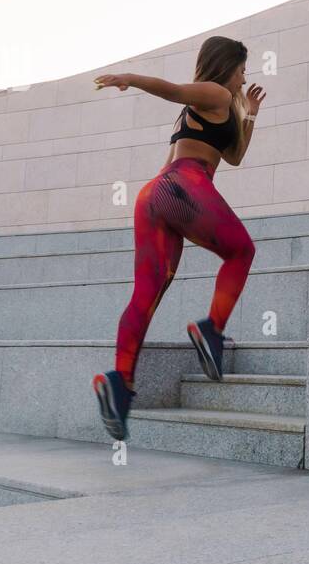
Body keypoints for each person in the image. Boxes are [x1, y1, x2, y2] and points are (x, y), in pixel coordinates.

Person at [90, 36, 265, 441]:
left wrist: (251, 115)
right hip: (184, 184)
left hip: (156, 194)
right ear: (226, 66)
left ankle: (119, 384)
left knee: (144, 296)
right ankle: (210, 330)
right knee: (242, 251)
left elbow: (235, 155)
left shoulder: (220, 104)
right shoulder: (213, 91)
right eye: (242, 68)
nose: (245, 76)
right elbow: (172, 90)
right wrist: (129, 78)